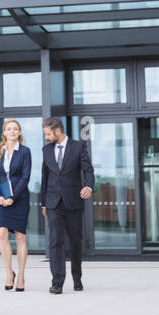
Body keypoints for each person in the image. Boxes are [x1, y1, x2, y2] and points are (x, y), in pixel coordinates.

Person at [40, 117, 93, 294]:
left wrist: (88, 186)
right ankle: (57, 282)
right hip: (54, 202)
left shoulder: (78, 147)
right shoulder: (46, 150)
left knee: (76, 242)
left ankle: (77, 278)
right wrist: (43, 203)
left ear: (57, 131)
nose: (46, 137)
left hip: (73, 201)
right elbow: (45, 178)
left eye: (48, 134)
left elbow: (88, 170)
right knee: (55, 241)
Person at [0, 119, 31, 292]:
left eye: (15, 129)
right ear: (4, 132)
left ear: (19, 132)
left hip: (19, 198)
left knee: (20, 236)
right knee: (1, 234)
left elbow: (25, 177)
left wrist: (13, 197)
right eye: (9, 129)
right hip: (1, 198)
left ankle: (21, 275)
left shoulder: (25, 152)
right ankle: (9, 273)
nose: (12, 131)